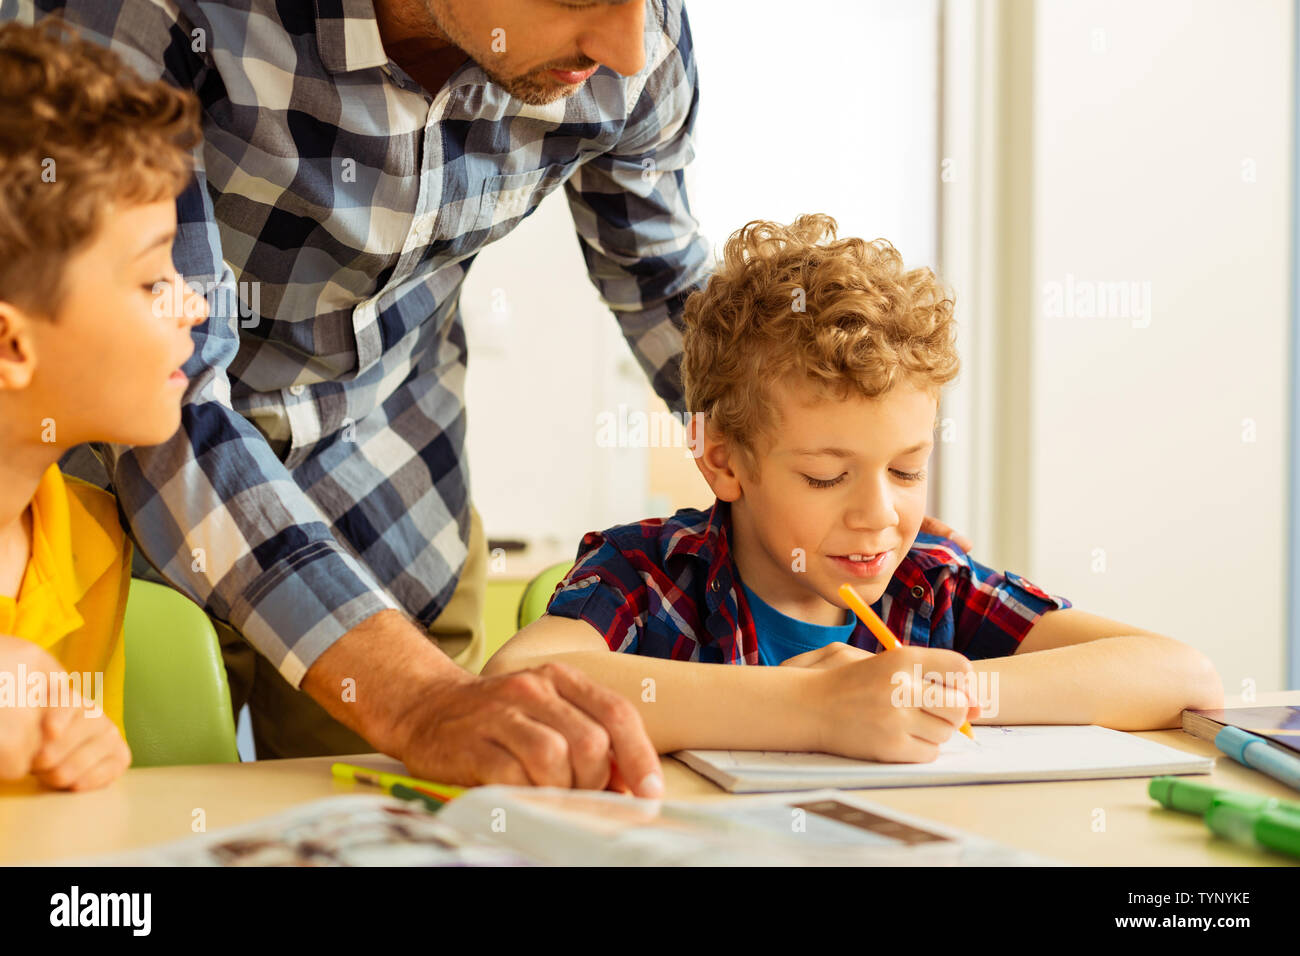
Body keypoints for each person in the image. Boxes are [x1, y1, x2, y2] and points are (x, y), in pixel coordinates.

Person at [482, 215, 1225, 759]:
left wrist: (945, 692)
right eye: (826, 475)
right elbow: (516, 678)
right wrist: (811, 707)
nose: (879, 514)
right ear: (722, 461)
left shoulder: (931, 588)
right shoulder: (649, 575)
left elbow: (1179, 675)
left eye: (907, 470)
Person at [0, 19, 207, 788]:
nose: (193, 305)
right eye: (155, 280)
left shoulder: (90, 542)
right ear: (10, 346)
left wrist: (84, 767)